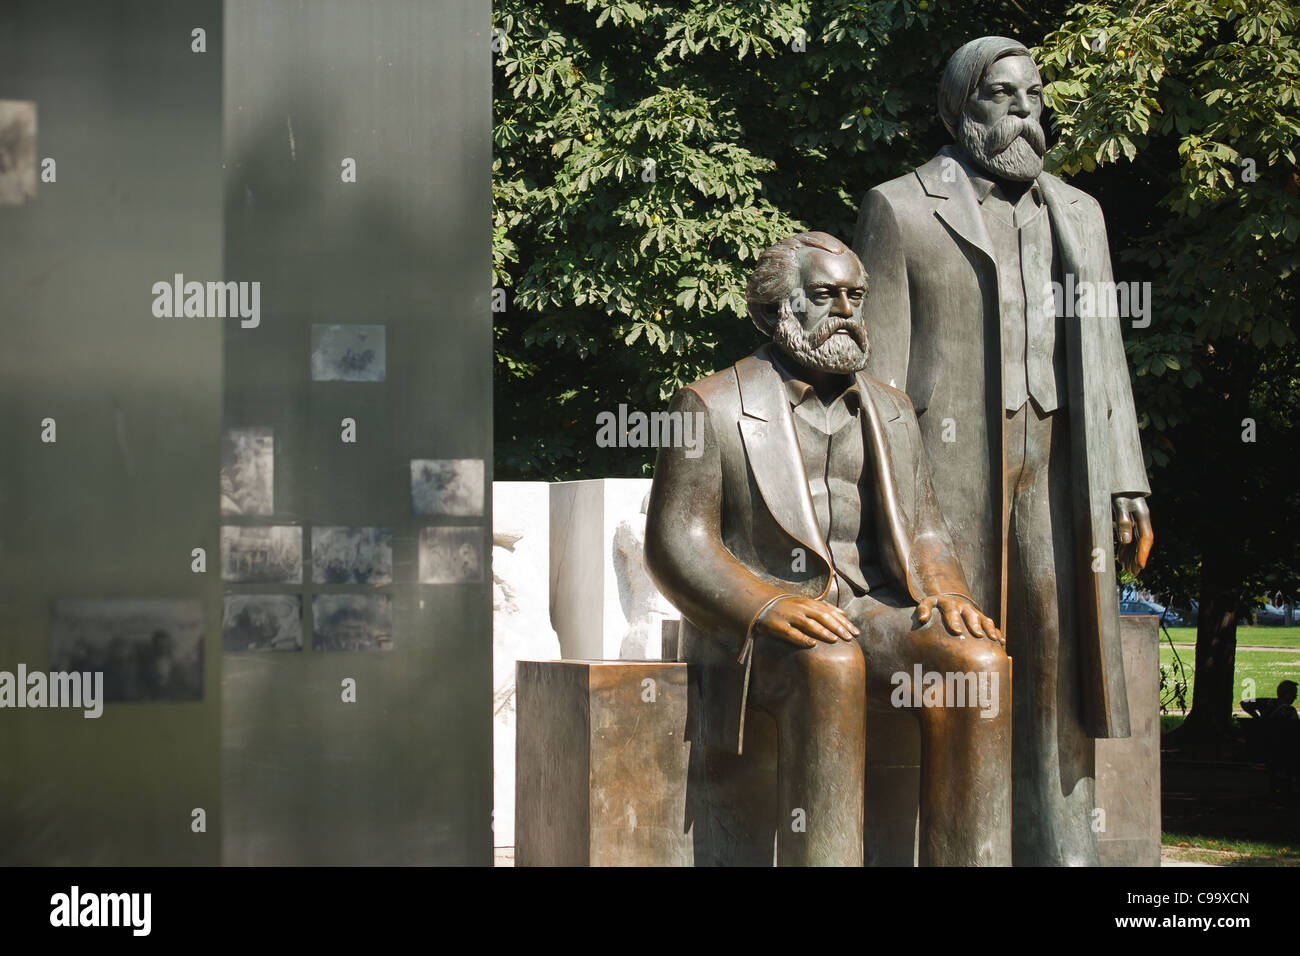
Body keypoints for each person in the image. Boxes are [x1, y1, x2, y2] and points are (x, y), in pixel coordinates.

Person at [852, 36, 1154, 865]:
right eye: (1003, 97)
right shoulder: (900, 209)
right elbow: (875, 383)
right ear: (959, 109)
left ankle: (1063, 847)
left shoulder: (1079, 214)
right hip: (947, 480)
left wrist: (1127, 480)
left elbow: (1105, 358)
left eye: (1034, 95)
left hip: (1061, 468)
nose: (1026, 112)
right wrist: (889, 515)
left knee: (1063, 657)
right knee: (967, 664)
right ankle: (969, 847)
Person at [645, 231, 1010, 866]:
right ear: (772, 310)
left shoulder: (892, 410)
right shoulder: (709, 404)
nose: (845, 310)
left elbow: (924, 530)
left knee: (978, 664)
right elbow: (678, 543)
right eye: (825, 295)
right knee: (829, 661)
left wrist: (948, 592)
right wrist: (763, 605)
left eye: (854, 296)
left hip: (873, 612)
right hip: (757, 628)